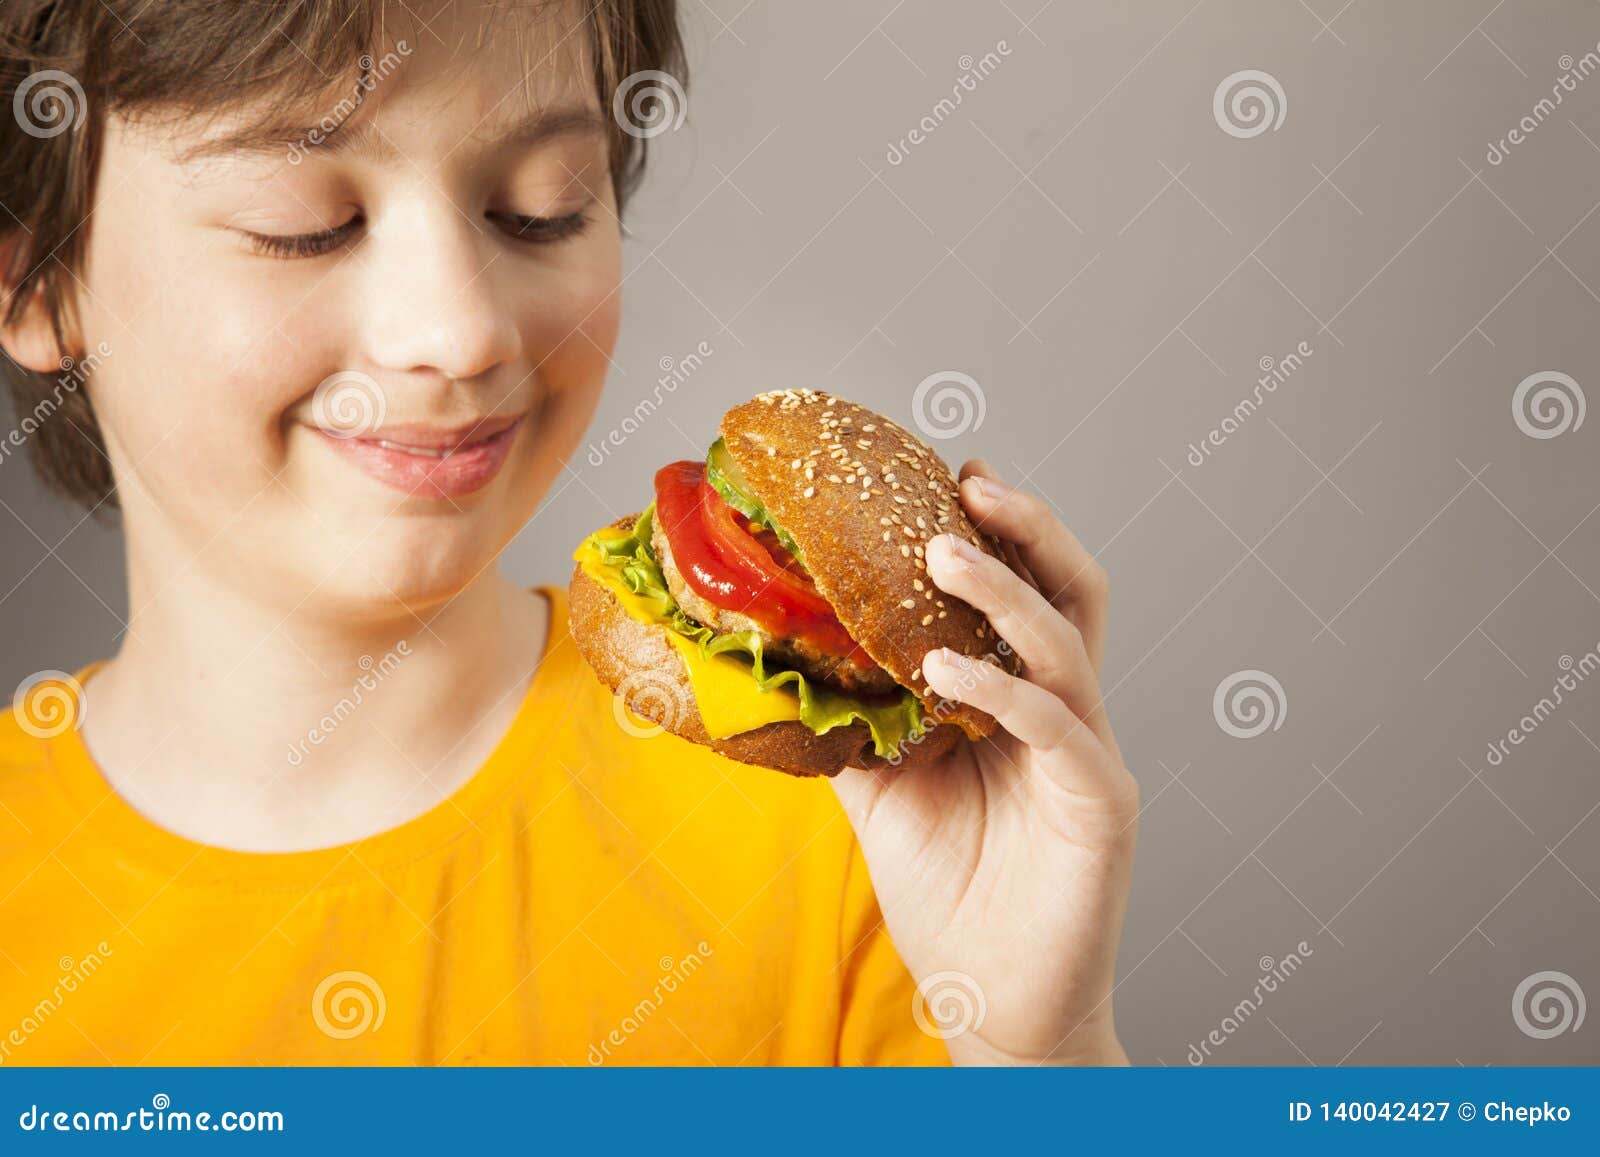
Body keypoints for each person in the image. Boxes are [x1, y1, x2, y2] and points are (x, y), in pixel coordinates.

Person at [0, 0, 1137, 1066]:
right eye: (305, 227)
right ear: (36, 279)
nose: (461, 329)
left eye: (541, 207)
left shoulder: (863, 831)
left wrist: (1034, 1057)